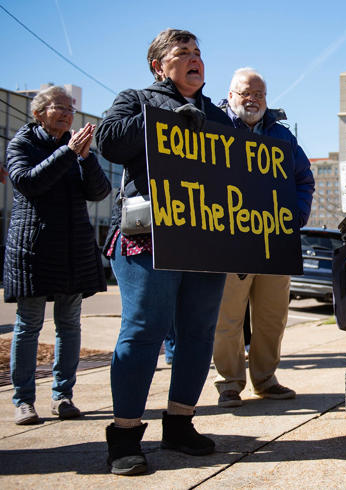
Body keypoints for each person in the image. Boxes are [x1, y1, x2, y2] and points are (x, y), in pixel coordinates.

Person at [95, 28, 232, 476]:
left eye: (198, 52)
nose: (195, 59)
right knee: (143, 331)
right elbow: (108, 142)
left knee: (198, 333)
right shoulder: (134, 99)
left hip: (205, 239)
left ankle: (179, 424)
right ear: (158, 66)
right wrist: (167, 120)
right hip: (148, 236)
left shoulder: (218, 115)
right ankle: (124, 437)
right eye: (183, 52)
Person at [4, 86, 111, 426]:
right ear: (39, 113)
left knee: (69, 324)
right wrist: (68, 153)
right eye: (59, 108)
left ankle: (62, 395)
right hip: (33, 248)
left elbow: (100, 192)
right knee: (29, 325)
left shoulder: (77, 148)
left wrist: (87, 157)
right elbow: (28, 183)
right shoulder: (22, 144)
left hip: (73, 249)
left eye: (70, 109)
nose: (67, 114)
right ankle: (23, 400)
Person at [212, 68, 314, 408]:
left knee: (272, 316)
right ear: (230, 95)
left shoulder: (282, 136)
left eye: (259, 94)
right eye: (245, 93)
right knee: (228, 317)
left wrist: (296, 216)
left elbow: (303, 179)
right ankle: (229, 382)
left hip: (276, 240)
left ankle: (266, 379)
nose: (253, 99)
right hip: (229, 242)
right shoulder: (214, 126)